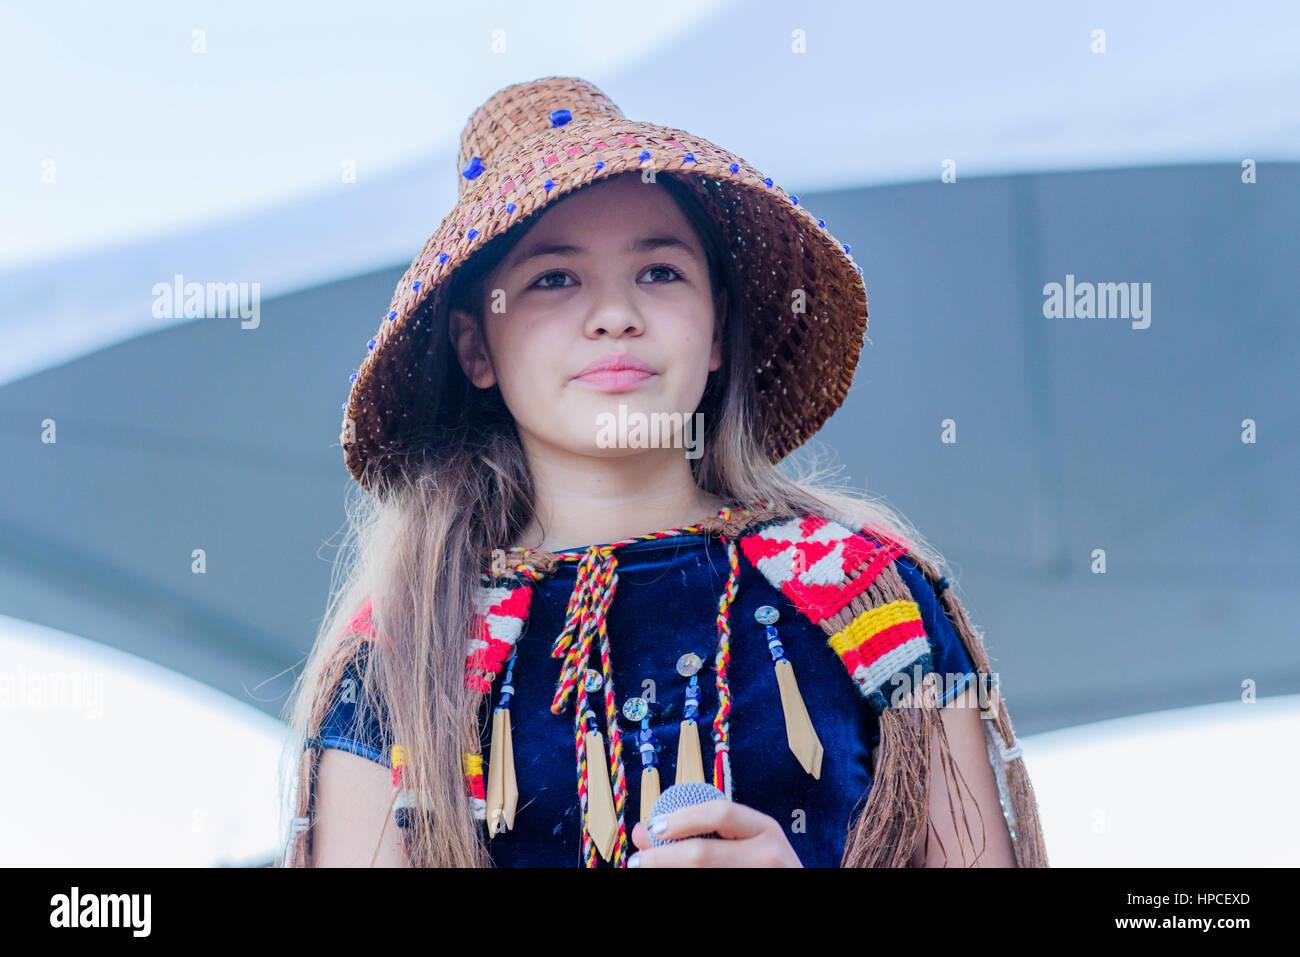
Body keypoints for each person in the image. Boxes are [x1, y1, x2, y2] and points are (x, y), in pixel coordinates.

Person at [279, 76, 1049, 869]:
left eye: (659, 272)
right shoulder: (403, 656)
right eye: (553, 277)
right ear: (476, 348)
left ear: (717, 330)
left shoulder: (875, 596)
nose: (616, 313)